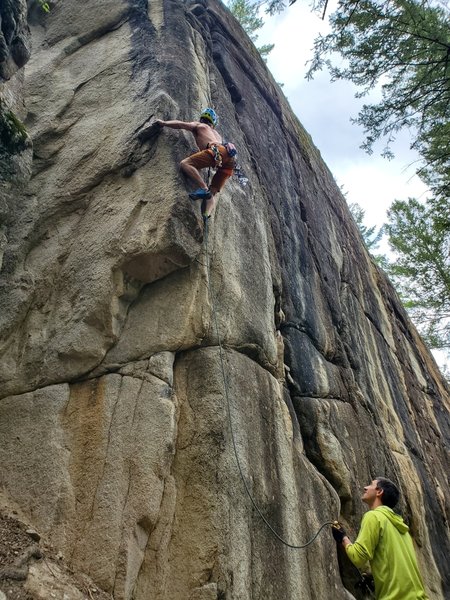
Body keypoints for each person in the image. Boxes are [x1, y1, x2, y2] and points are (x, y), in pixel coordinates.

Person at [332, 477, 429, 599]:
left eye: (370, 485)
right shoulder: (402, 529)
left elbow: (358, 557)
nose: (365, 487)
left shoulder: (374, 517)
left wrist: (342, 537)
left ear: (379, 492)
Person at [155, 108, 236, 219]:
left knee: (185, 164)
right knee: (212, 192)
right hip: (229, 161)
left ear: (202, 118)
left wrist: (164, 123)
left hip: (217, 152)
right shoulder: (217, 134)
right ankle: (207, 214)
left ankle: (203, 188)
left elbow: (180, 124)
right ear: (213, 123)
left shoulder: (199, 125)